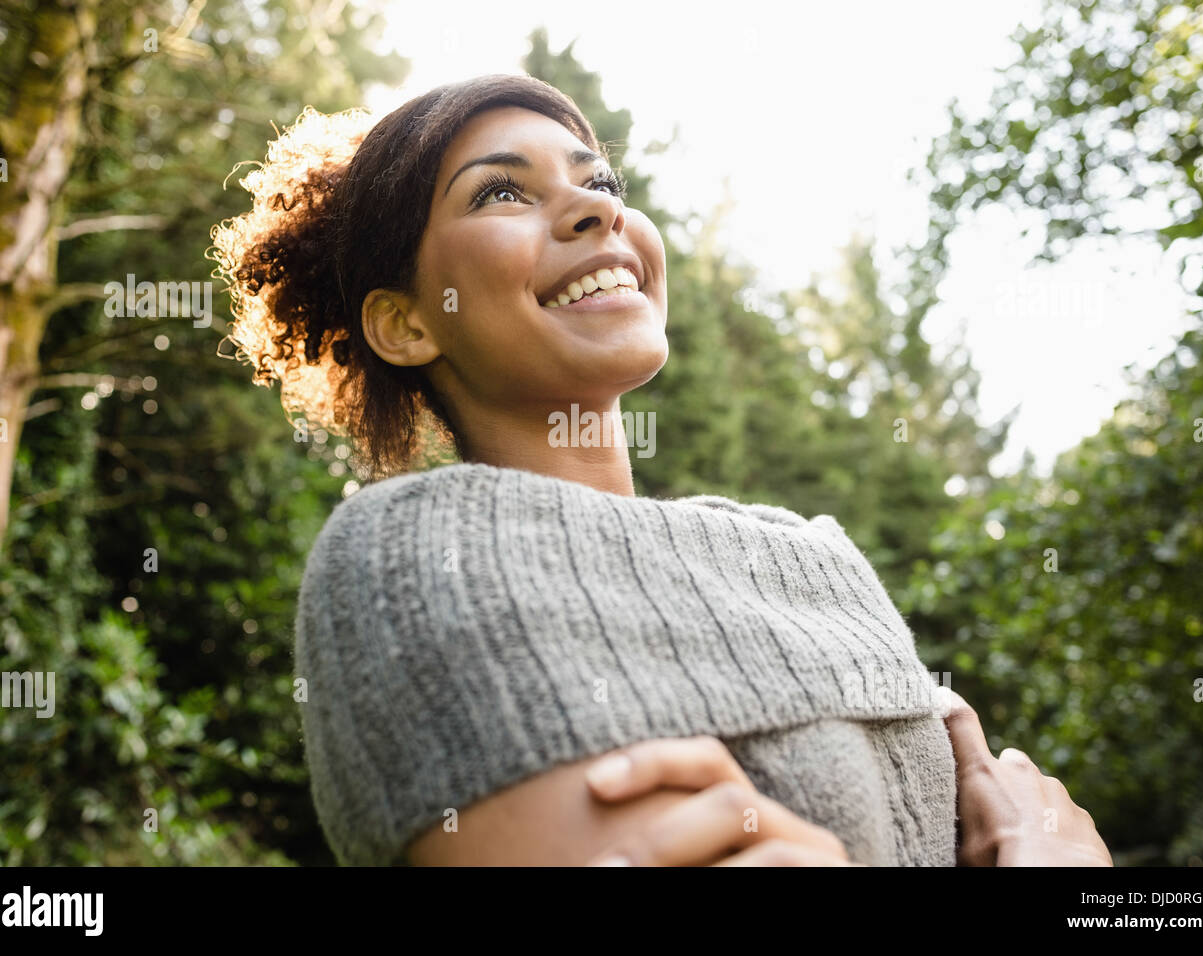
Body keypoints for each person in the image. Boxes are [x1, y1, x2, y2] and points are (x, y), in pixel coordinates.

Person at [209, 74, 1111, 867]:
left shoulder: (812, 558)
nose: (595, 208)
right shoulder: (403, 554)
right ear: (408, 322)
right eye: (499, 194)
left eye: (598, 180)